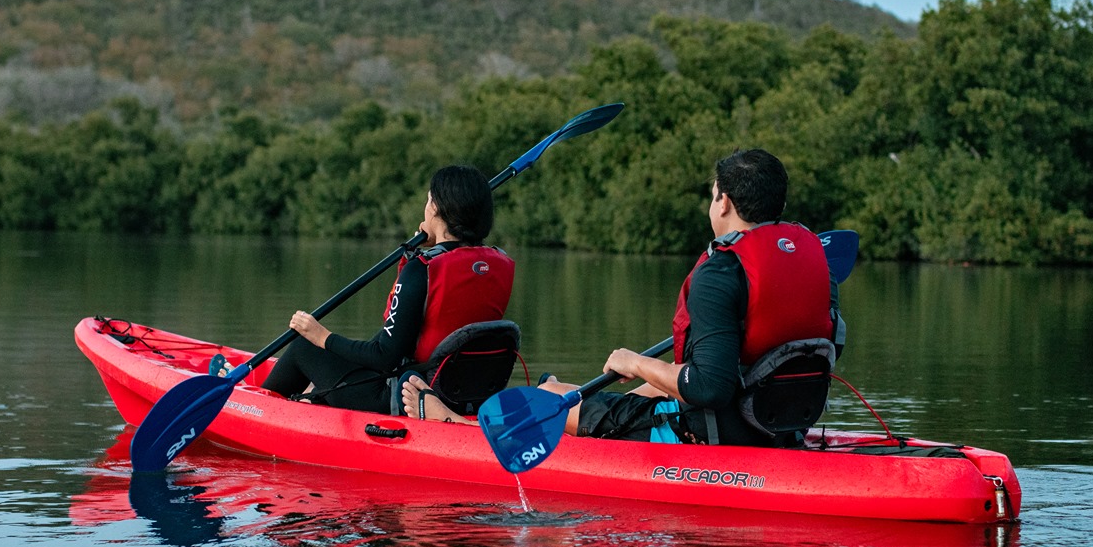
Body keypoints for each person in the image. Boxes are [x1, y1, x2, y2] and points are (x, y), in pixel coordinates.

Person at [419, 149, 837, 445]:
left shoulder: (721, 271)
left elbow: (708, 389)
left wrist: (633, 362)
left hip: (711, 433)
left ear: (723, 202)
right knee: (638, 390)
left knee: (546, 402)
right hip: (776, 425)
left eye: (713, 196)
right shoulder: (815, 260)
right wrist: (655, 375)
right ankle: (565, 393)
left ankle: (457, 423)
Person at [263, 165, 514, 414]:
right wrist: (423, 252)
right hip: (467, 395)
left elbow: (384, 357)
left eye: (429, 200)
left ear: (437, 208)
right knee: (326, 378)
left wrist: (322, 337)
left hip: (407, 397)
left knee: (304, 346)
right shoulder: (499, 264)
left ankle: (258, 411)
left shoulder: (423, 269)